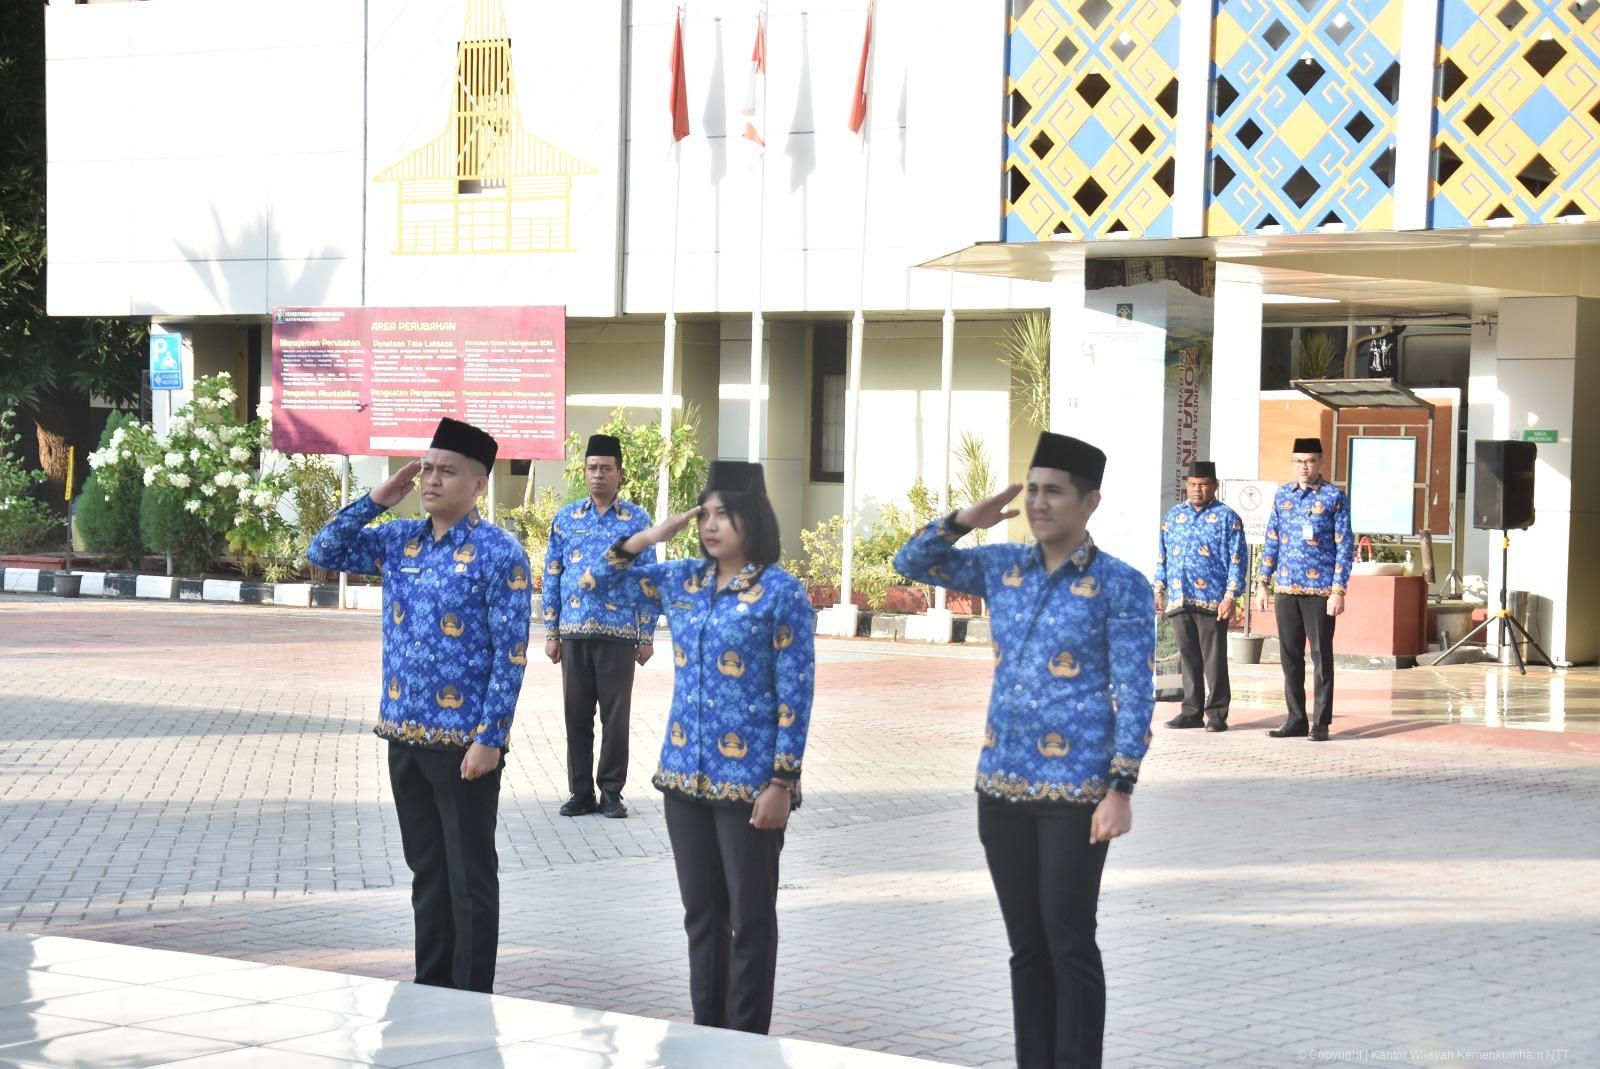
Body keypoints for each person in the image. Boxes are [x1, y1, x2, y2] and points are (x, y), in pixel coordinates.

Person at [894, 431, 1155, 1069]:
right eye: (1032, 489)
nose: (1038, 503)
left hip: (1077, 796)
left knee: (1069, 942)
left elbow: (1137, 690)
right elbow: (910, 563)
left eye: (1053, 492)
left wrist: (1121, 788)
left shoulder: (1122, 584)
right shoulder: (999, 567)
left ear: (1089, 501)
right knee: (1026, 947)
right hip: (1000, 791)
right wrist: (960, 521)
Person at [307, 417, 532, 993]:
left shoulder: (498, 553)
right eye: (427, 468)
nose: (431, 479)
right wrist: (380, 497)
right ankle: (432, 986)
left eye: (446, 471)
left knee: (469, 874)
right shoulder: (399, 539)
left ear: (479, 484)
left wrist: (492, 736)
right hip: (404, 733)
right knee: (427, 872)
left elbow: (511, 654)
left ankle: (471, 993)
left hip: (463, 745)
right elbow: (322, 548)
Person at [590, 460, 814, 1036]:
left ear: (754, 517)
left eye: (724, 514)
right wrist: (656, 533)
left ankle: (744, 1042)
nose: (710, 525)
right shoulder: (683, 580)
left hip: (752, 786)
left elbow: (796, 693)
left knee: (751, 918)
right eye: (705, 514)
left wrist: (782, 783)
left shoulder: (781, 592)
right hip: (684, 780)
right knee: (702, 916)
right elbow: (602, 576)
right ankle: (703, 1033)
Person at [543, 434, 656, 819]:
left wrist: (646, 635)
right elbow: (553, 573)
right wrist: (551, 631)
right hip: (573, 632)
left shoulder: (637, 520)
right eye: (592, 467)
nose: (598, 475)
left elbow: (648, 578)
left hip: (619, 633)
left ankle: (610, 792)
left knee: (615, 718)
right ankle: (580, 792)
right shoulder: (565, 519)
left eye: (606, 468)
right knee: (575, 715)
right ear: (584, 471)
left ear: (619, 474)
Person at [1252, 436, 1353, 742]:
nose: (1303, 467)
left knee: (1321, 656)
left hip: (1320, 591)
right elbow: (1271, 540)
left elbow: (1344, 546)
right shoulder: (1283, 495)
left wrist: (1339, 590)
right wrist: (1262, 583)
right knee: (1289, 657)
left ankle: (1320, 722)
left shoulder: (1334, 497)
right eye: (1298, 461)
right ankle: (1295, 718)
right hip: (1286, 588)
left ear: (1320, 462)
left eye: (1309, 461)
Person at [1154, 460, 1246, 732]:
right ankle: (1191, 711)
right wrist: (1158, 590)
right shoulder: (1173, 516)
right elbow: (1163, 556)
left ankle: (1217, 714)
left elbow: (1237, 560)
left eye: (1204, 485)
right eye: (1193, 484)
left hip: (1212, 601)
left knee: (1213, 660)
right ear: (1186, 485)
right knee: (1188, 657)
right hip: (1179, 598)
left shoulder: (1227, 517)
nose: (1198, 490)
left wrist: (1230, 596)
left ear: (1214, 486)